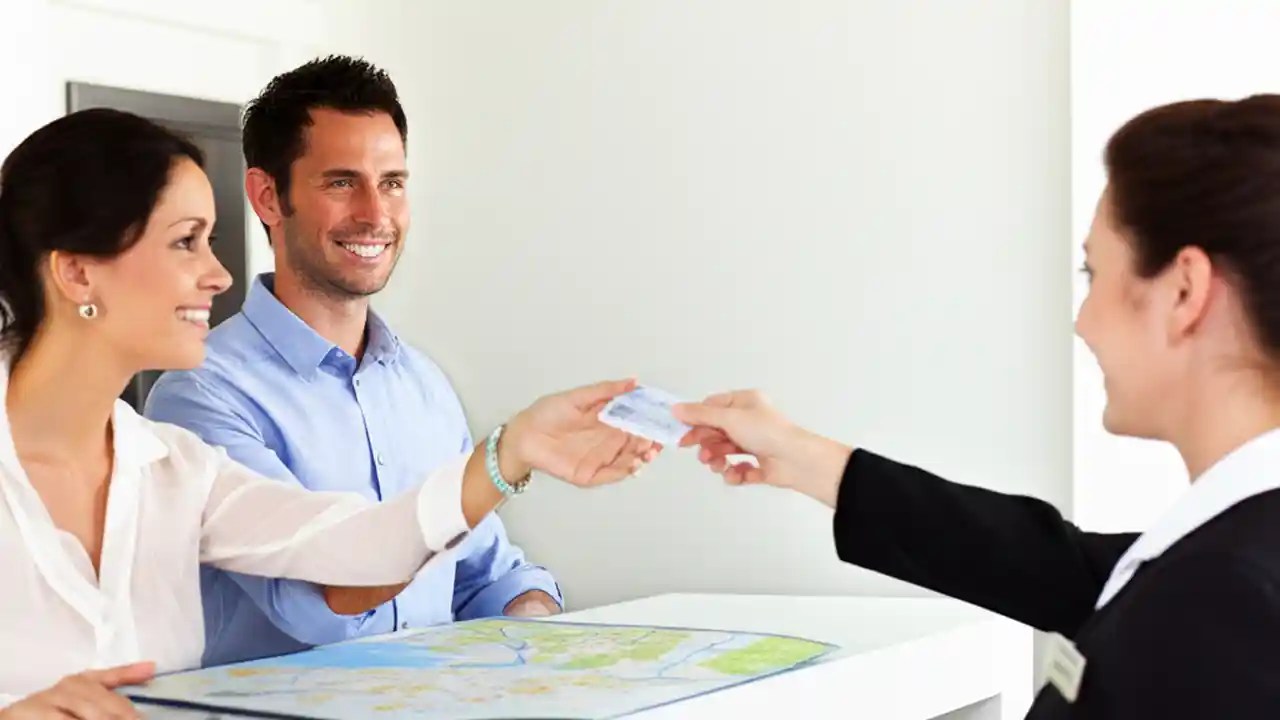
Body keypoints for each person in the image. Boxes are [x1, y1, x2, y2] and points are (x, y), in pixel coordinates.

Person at [0, 108, 657, 715]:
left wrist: (512, 451)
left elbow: (353, 548)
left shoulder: (176, 470)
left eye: (210, 239)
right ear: (78, 274)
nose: (218, 274)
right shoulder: (204, 405)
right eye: (186, 242)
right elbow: (317, 609)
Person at [675, 95, 1280, 718]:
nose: (1083, 322)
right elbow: (1069, 571)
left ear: (1185, 290)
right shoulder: (1227, 555)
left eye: (1093, 273)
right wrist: (811, 461)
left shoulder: (1230, 598)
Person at [143, 56, 567, 667]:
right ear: (267, 195)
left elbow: (484, 576)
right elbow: (319, 606)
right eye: (341, 182)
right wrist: (505, 460)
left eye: (392, 182)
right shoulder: (200, 393)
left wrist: (535, 623)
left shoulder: (422, 385)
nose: (375, 213)